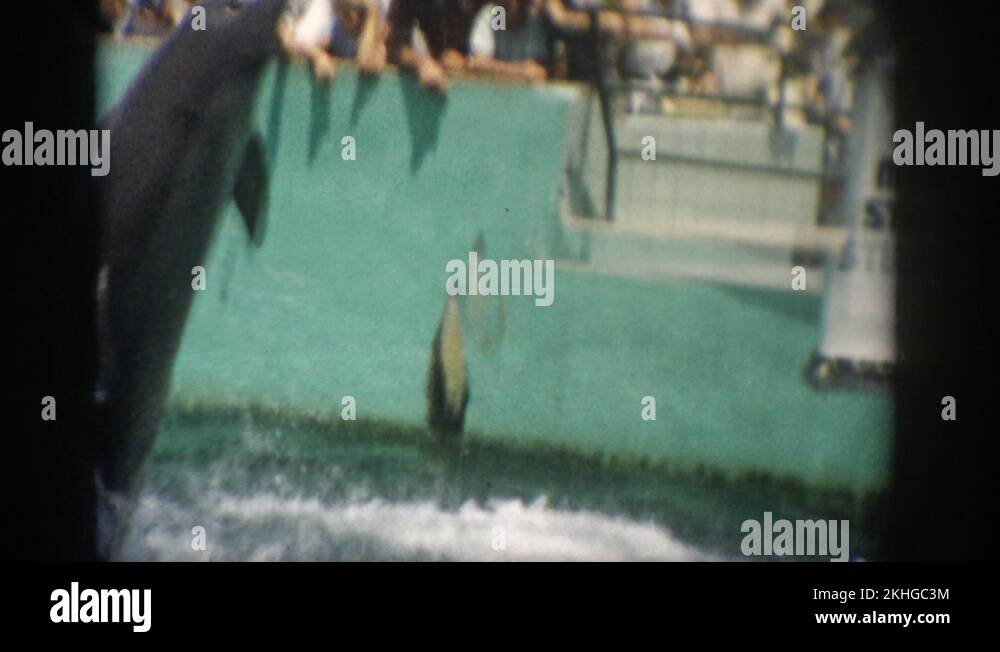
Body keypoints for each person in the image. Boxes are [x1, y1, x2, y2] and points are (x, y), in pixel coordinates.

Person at [684, 0, 790, 104]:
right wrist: (753, 37)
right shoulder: (722, 5)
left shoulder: (777, 5)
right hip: (722, 85)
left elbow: (788, 43)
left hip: (761, 90)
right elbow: (702, 35)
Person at [385, 0, 488, 92]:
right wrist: (422, 62)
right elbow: (393, 46)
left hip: (486, 86)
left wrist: (469, 63)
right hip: (438, 83)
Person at [282, 0, 390, 81]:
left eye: (358, 11)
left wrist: (372, 13)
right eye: (347, 11)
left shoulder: (376, 27)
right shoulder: (333, 23)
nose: (353, 16)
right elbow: (296, 43)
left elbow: (368, 63)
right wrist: (318, 55)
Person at [467, 0, 552, 82]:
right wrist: (519, 71)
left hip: (526, 90)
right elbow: (478, 63)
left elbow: (538, 68)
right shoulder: (498, 14)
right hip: (494, 88)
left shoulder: (533, 16)